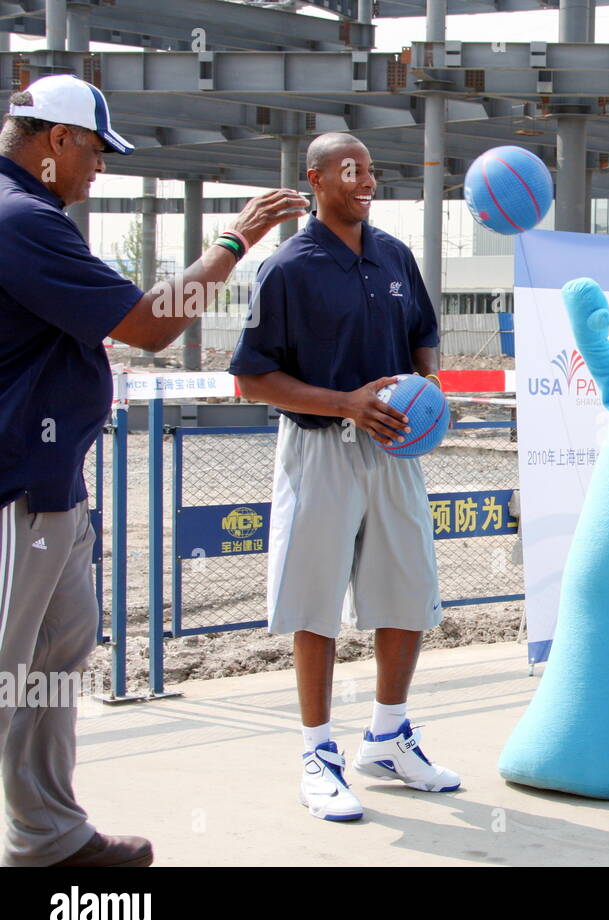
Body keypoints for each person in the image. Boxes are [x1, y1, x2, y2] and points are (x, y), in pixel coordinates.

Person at [0, 75, 307, 865]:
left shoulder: (31, 218)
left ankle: (49, 836)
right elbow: (148, 324)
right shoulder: (20, 220)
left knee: (53, 669)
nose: (99, 167)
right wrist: (232, 242)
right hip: (12, 494)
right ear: (56, 141)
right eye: (96, 150)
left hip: (53, 486)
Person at [229, 132, 458, 823]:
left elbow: (423, 331)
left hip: (394, 451)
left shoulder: (394, 255)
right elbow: (250, 380)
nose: (365, 181)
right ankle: (317, 754)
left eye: (371, 171)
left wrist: (427, 390)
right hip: (321, 447)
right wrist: (344, 403)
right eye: (350, 170)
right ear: (316, 179)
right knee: (315, 605)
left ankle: (387, 739)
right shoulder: (288, 267)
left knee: (409, 594)